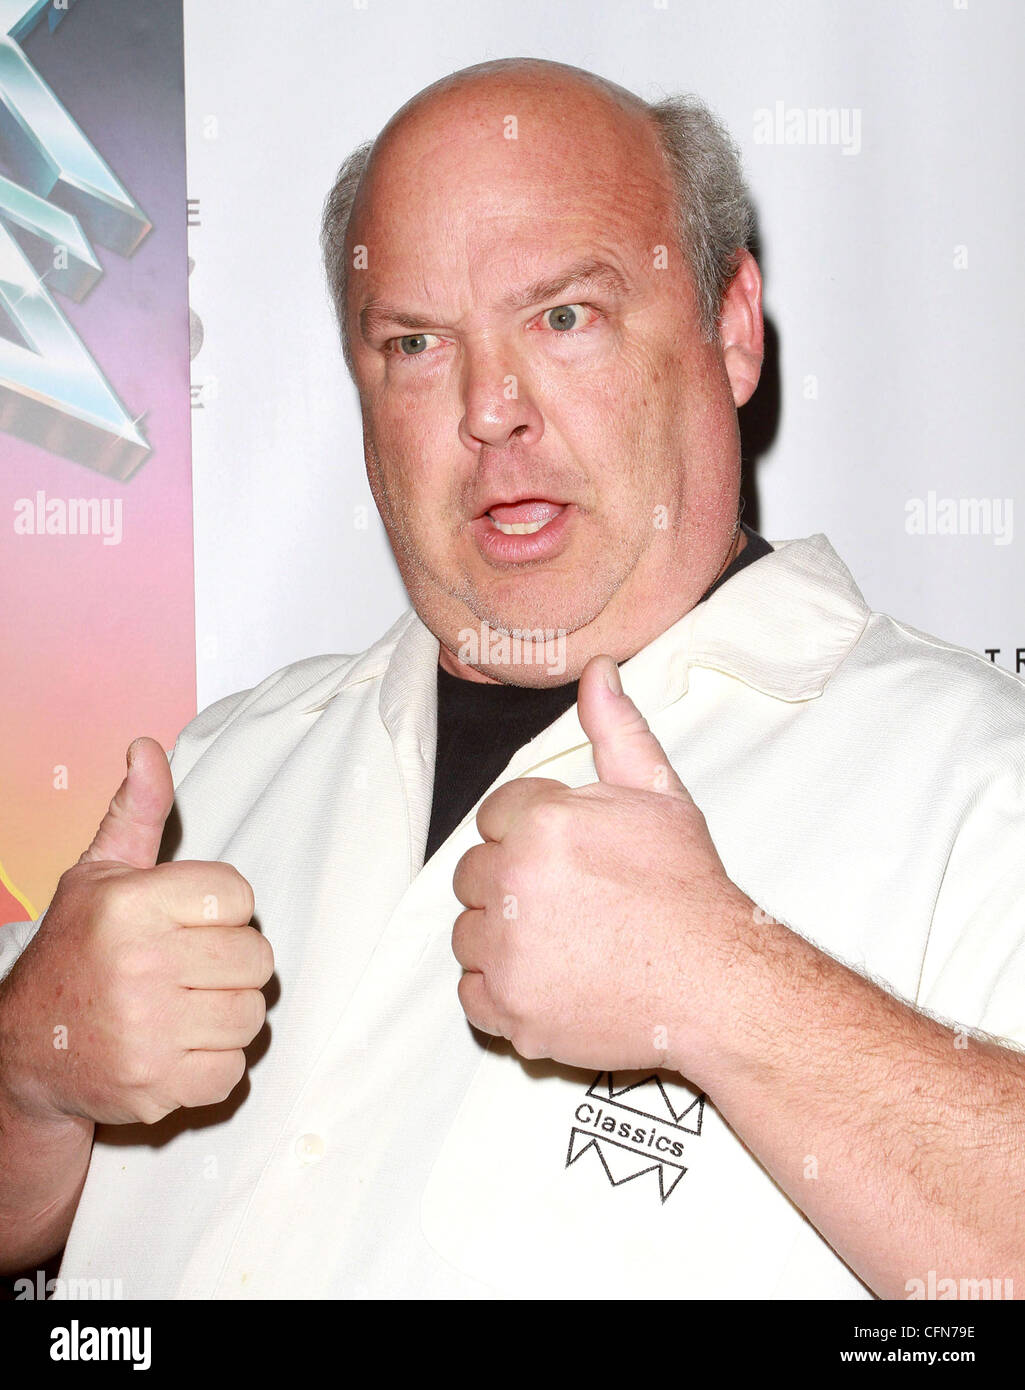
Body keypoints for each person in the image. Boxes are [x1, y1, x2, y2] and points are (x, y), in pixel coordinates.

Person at [1, 57, 1024, 1301]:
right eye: (417, 342)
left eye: (562, 317)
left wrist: (727, 985)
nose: (492, 410)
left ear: (732, 330)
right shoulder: (221, 765)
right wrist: (29, 1076)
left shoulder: (976, 779)